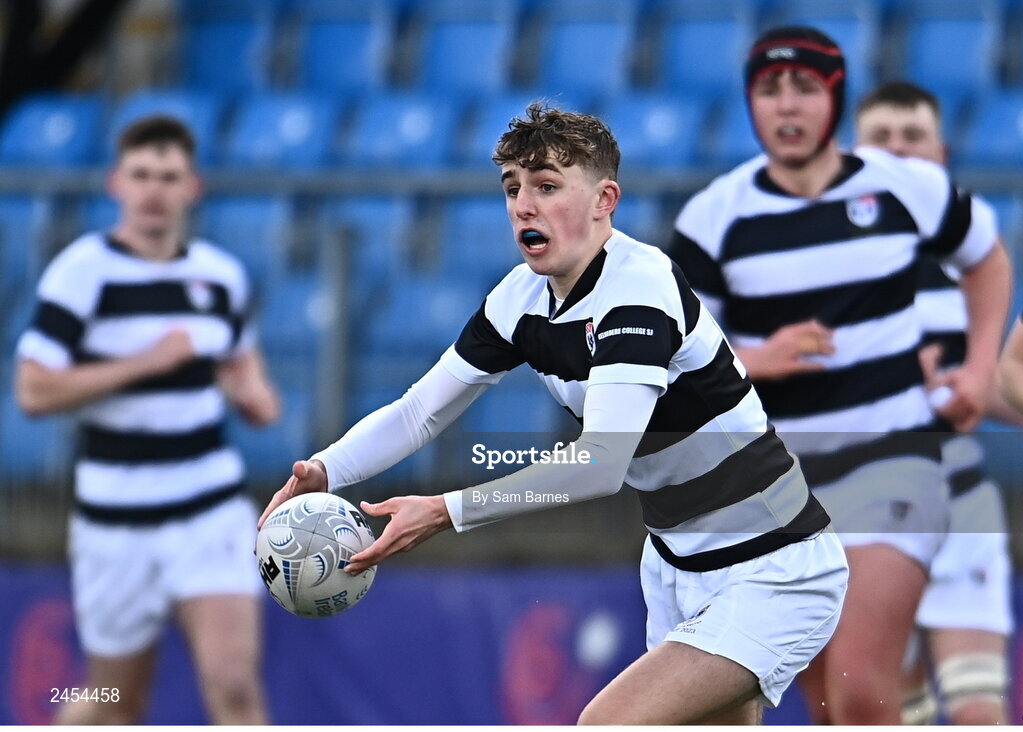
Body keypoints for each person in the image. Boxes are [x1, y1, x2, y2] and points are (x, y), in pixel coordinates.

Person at [259, 102, 849, 725]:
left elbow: (598, 465)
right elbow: (417, 415)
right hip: (677, 566)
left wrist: (445, 511)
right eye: (513, 188)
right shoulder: (518, 300)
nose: (523, 205)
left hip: (773, 567)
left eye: (546, 186)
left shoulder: (639, 292)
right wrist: (326, 470)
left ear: (605, 200)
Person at [666, 27, 1011, 725]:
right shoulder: (715, 217)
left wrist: (979, 368)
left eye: (805, 89)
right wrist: (757, 360)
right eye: (769, 90)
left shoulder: (904, 187)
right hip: (778, 489)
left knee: (861, 690)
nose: (786, 106)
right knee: (827, 702)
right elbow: (673, 354)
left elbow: (988, 259)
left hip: (893, 464)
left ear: (835, 100)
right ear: (750, 103)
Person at [14, 115, 279, 725]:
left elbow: (250, 378)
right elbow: (32, 390)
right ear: (116, 184)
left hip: (208, 508)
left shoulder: (221, 276)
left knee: (234, 683)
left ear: (193, 188)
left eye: (169, 176)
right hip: (115, 522)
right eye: (141, 175)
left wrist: (254, 397)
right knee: (116, 702)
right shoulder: (83, 273)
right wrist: (144, 361)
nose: (154, 190)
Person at [855, 80, 1014, 726]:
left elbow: (994, 384)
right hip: (857, 512)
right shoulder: (809, 256)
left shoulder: (972, 258)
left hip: (956, 502)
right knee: (888, 714)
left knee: (979, 712)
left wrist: (975, 385)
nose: (898, 150)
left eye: (912, 136)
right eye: (882, 137)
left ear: (941, 151)